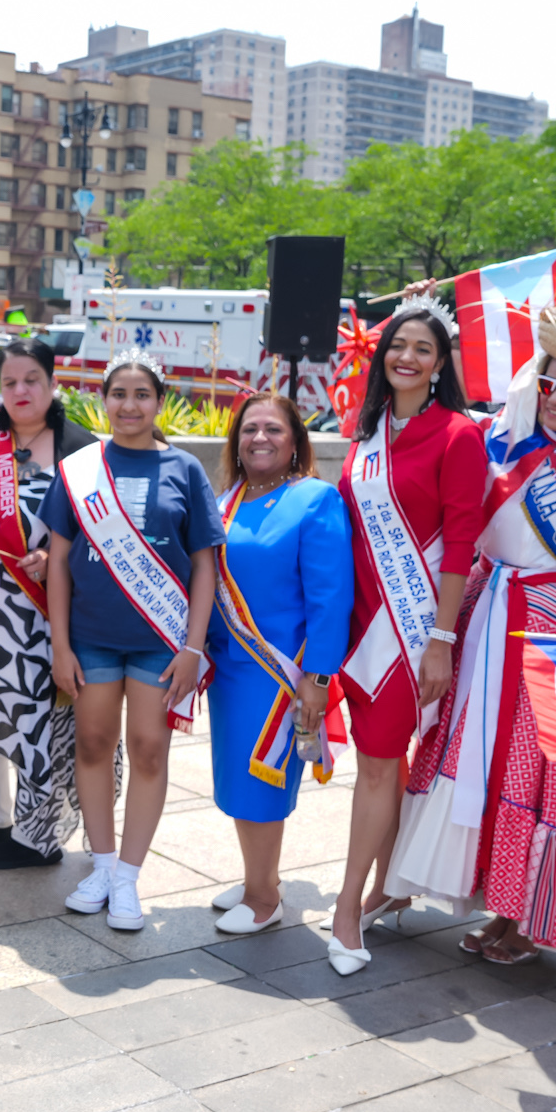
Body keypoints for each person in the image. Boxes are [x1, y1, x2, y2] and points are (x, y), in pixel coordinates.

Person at [389, 322, 556, 964]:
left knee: (549, 770)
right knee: (490, 756)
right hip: (490, 619)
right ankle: (494, 900)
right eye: (549, 383)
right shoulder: (498, 445)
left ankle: (530, 918)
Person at [330, 293, 487, 975]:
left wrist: (441, 639)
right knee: (384, 768)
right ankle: (388, 885)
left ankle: (345, 905)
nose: (407, 356)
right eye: (398, 345)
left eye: (423, 348)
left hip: (416, 627)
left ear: (441, 362)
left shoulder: (458, 433)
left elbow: (461, 544)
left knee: (377, 763)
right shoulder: (365, 433)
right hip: (362, 620)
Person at [44, 350, 221, 930]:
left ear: (159, 402)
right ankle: (99, 864)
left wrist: (193, 647)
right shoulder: (81, 468)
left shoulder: (185, 470)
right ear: (103, 399)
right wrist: (60, 645)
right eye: (118, 393)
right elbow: (60, 563)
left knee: (148, 749)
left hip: (159, 640)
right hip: (91, 638)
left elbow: (204, 566)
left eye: (141, 394)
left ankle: (127, 878)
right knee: (93, 744)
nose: (129, 405)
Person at [0, 339, 99, 869]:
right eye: (9, 382)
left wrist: (56, 557)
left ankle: (36, 836)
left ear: (52, 383)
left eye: (31, 380)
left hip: (44, 615)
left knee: (35, 721)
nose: (20, 391)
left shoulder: (81, 448)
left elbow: (102, 534)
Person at [204, 394, 351, 934]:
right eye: (248, 430)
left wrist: (317, 680)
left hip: (278, 677)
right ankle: (256, 879)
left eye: (273, 430)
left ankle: (265, 899)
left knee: (261, 785)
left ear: (296, 443)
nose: (259, 438)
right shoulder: (228, 500)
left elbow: (330, 598)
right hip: (229, 671)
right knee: (236, 782)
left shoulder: (314, 499)